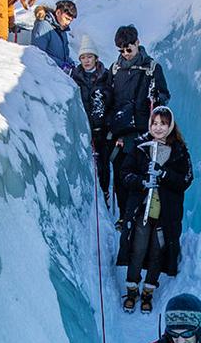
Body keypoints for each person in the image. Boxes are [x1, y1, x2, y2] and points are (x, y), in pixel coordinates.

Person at [116, 106, 192, 315]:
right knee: (138, 249)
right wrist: (142, 182)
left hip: (166, 215)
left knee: (157, 253)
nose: (158, 128)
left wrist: (164, 174)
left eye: (163, 124)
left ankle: (148, 292)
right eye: (155, 123)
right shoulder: (140, 147)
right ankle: (132, 290)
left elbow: (186, 180)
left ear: (170, 126)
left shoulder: (179, 152)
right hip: (143, 211)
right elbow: (125, 173)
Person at [107, 26, 169, 221]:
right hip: (121, 132)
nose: (125, 54)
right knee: (121, 176)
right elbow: (110, 98)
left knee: (141, 173)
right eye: (121, 50)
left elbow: (165, 96)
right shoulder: (115, 69)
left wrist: (158, 97)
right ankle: (124, 216)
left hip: (143, 131)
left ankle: (140, 215)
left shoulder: (152, 68)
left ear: (137, 43)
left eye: (129, 49)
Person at [74, 34, 112, 204]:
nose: (86, 61)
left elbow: (113, 99)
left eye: (89, 57)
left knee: (103, 162)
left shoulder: (106, 76)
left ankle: (105, 192)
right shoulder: (74, 77)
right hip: (84, 128)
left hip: (102, 128)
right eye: (83, 57)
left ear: (96, 58)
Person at [31, 0, 77, 71]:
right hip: (47, 72)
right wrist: (61, 65)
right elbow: (38, 54)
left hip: (58, 73)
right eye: (67, 18)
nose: (68, 23)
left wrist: (71, 63)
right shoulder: (43, 26)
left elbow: (65, 55)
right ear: (58, 13)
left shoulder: (62, 30)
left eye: (70, 21)